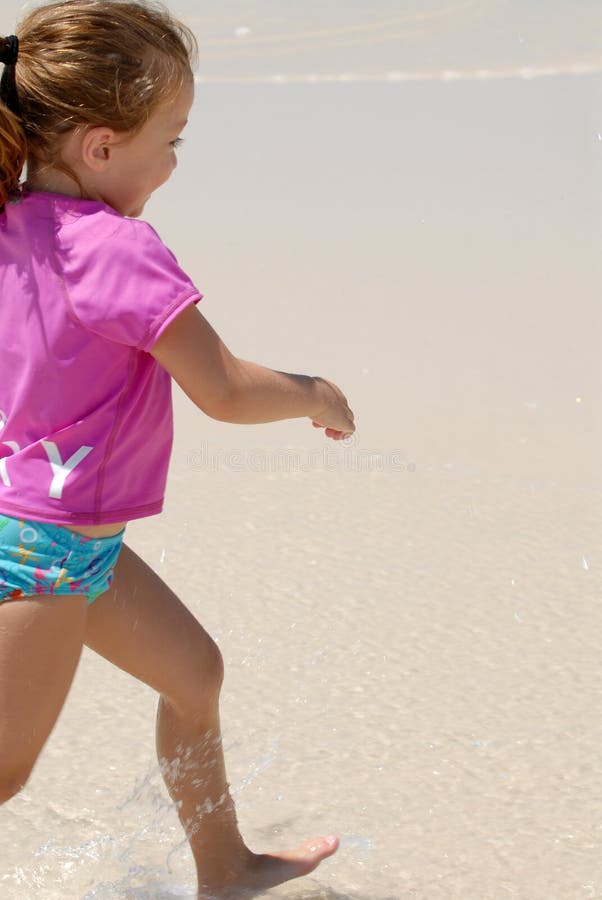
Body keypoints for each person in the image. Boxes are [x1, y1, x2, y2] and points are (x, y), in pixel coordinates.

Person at [0, 1, 355, 896]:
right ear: (101, 146)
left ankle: (225, 865)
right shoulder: (117, 249)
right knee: (3, 771)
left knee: (195, 672)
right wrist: (319, 395)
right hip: (40, 544)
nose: (175, 162)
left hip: (66, 533)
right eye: (173, 138)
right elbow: (224, 389)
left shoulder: (13, 221)